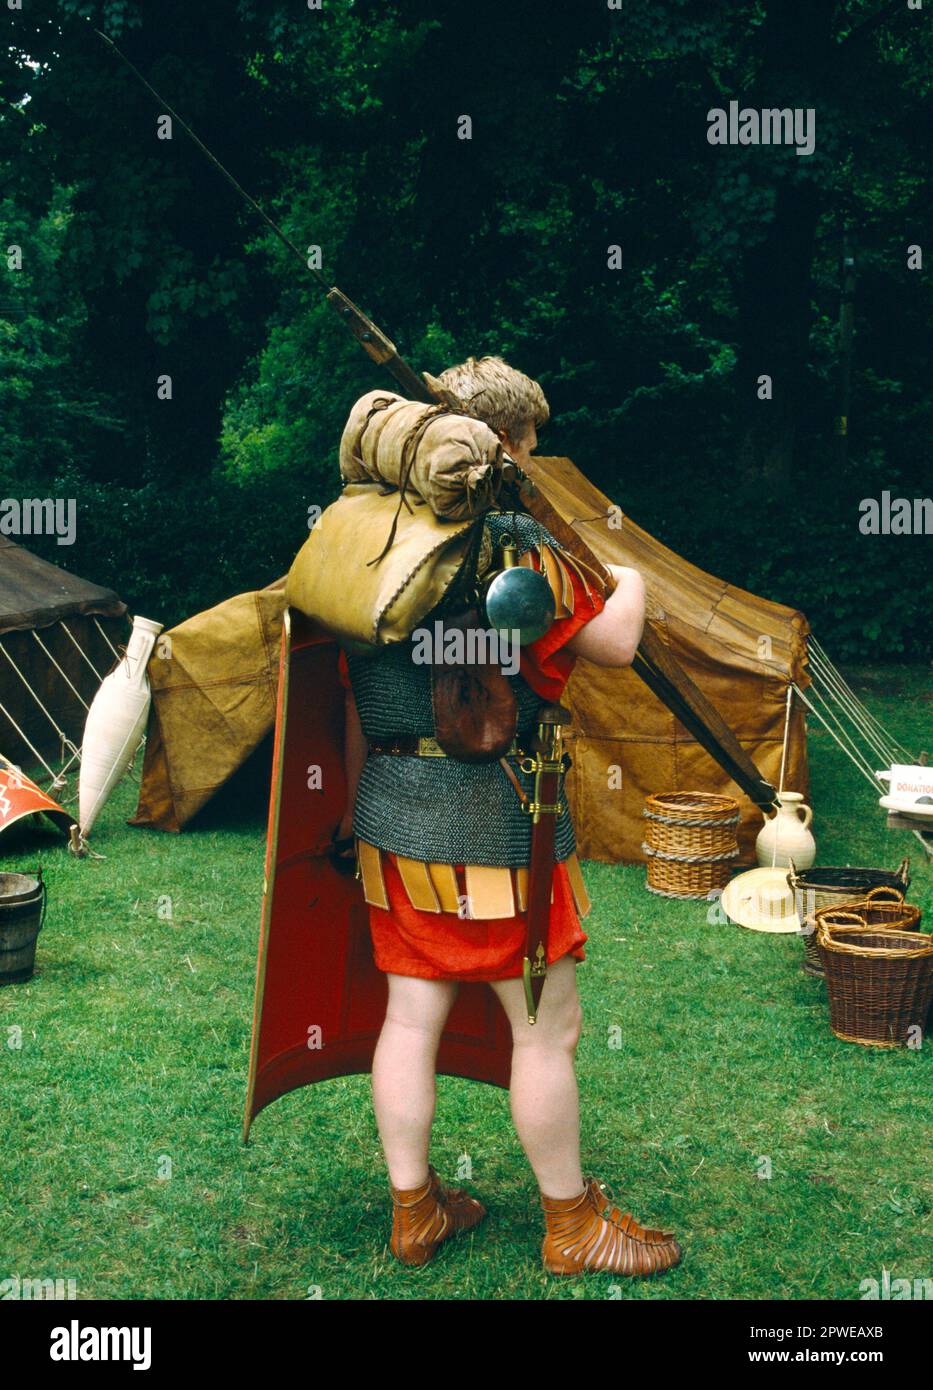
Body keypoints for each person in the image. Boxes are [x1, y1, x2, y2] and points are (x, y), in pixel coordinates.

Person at [336, 355, 682, 1278]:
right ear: (513, 448)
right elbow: (614, 640)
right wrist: (628, 575)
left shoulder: (368, 538)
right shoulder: (522, 545)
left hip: (392, 818)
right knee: (546, 1029)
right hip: (499, 824)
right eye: (530, 449)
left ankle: (416, 1211)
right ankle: (571, 1224)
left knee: (409, 1020)